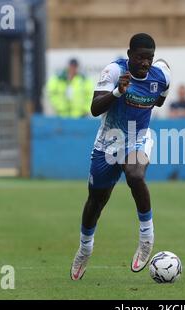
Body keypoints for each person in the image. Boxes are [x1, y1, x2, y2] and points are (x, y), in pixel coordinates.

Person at [70, 33, 171, 280]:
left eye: (149, 58)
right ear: (129, 56)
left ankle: (147, 237)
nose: (145, 63)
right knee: (96, 201)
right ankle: (85, 248)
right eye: (140, 57)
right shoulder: (114, 72)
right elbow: (94, 109)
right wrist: (118, 92)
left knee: (135, 175)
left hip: (139, 137)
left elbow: (157, 101)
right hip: (108, 143)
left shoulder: (162, 77)